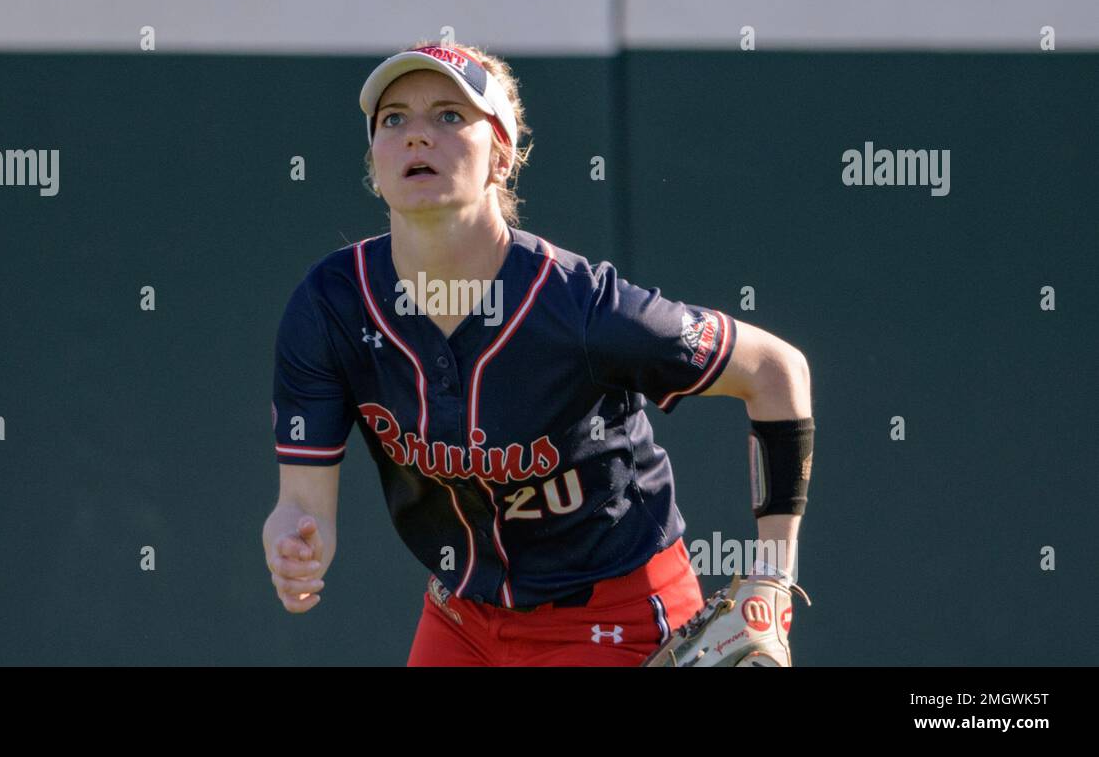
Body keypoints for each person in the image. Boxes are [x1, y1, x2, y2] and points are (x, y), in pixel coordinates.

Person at [263, 42, 814, 666]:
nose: (417, 135)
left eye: (449, 115)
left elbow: (775, 370)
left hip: (611, 611)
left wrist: (772, 577)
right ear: (375, 159)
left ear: (501, 153)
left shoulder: (582, 308)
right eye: (394, 119)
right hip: (459, 614)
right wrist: (295, 538)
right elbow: (300, 505)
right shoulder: (331, 305)